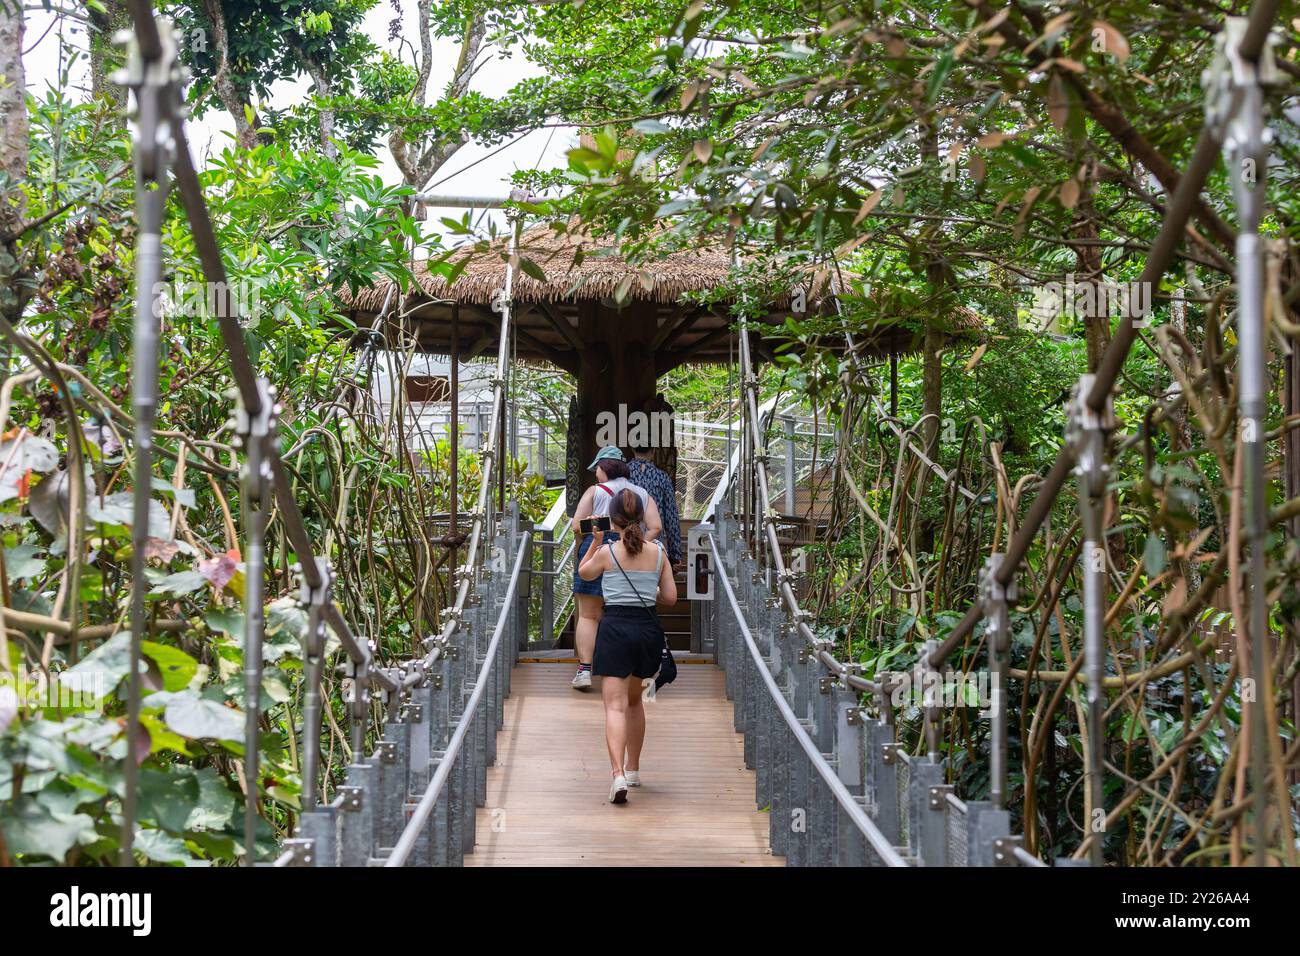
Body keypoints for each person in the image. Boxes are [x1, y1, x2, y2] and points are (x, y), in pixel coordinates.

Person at [577, 488, 676, 802]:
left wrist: (594, 540)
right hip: (647, 633)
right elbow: (671, 598)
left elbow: (584, 572)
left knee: (615, 707)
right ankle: (633, 769)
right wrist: (650, 592)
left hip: (616, 630)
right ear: (641, 518)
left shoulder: (607, 552)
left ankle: (617, 774)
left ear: (614, 520)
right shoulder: (659, 552)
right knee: (635, 703)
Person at [569, 446, 662, 691]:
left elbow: (576, 527)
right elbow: (655, 526)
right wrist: (640, 544)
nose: (596, 474)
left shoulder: (595, 490)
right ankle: (631, 670)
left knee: (589, 615)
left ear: (604, 468)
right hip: (633, 550)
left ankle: (585, 670)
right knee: (624, 609)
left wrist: (599, 527)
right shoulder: (641, 493)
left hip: (597, 547)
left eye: (597, 469)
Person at [627, 443, 682, 568]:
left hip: (627, 538)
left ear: (632, 450)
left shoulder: (623, 475)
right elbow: (671, 515)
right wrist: (675, 554)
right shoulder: (662, 477)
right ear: (653, 452)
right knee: (654, 581)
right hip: (655, 540)